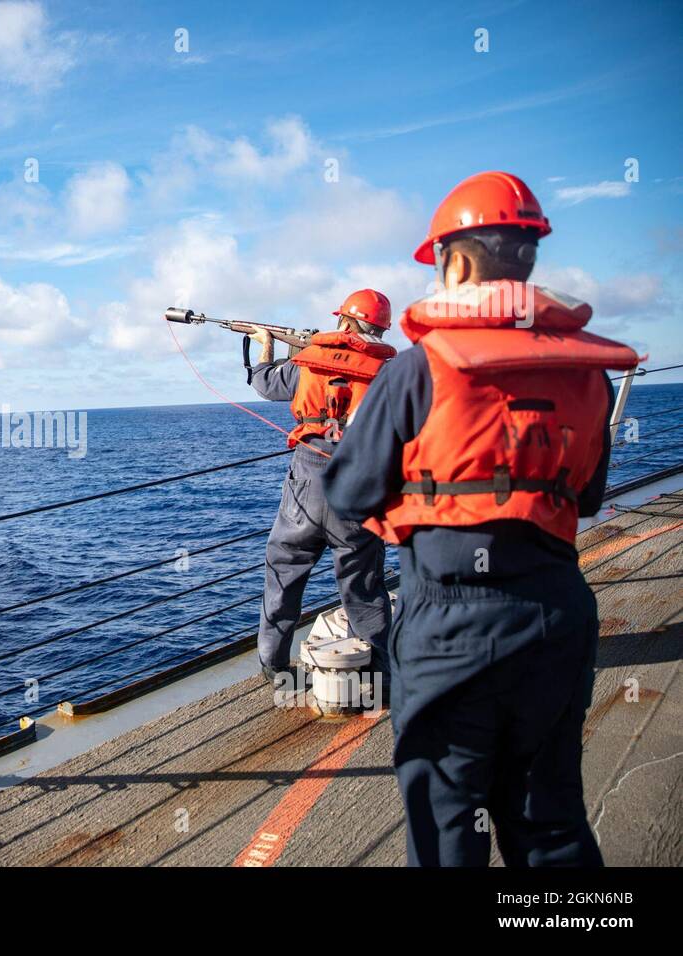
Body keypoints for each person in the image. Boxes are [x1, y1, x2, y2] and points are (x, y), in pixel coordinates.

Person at [321, 171, 640, 866]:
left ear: (455, 264)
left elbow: (344, 493)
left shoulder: (416, 369)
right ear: (527, 258)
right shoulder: (589, 374)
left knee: (446, 829)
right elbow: (585, 498)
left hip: (448, 626)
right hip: (556, 614)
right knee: (549, 823)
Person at [245, 289, 396, 693]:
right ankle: (381, 675)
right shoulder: (390, 373)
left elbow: (264, 383)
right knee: (363, 584)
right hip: (358, 487)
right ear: (381, 329)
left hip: (306, 485)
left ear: (343, 321)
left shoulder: (309, 360)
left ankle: (276, 670)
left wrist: (265, 346)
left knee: (283, 573)